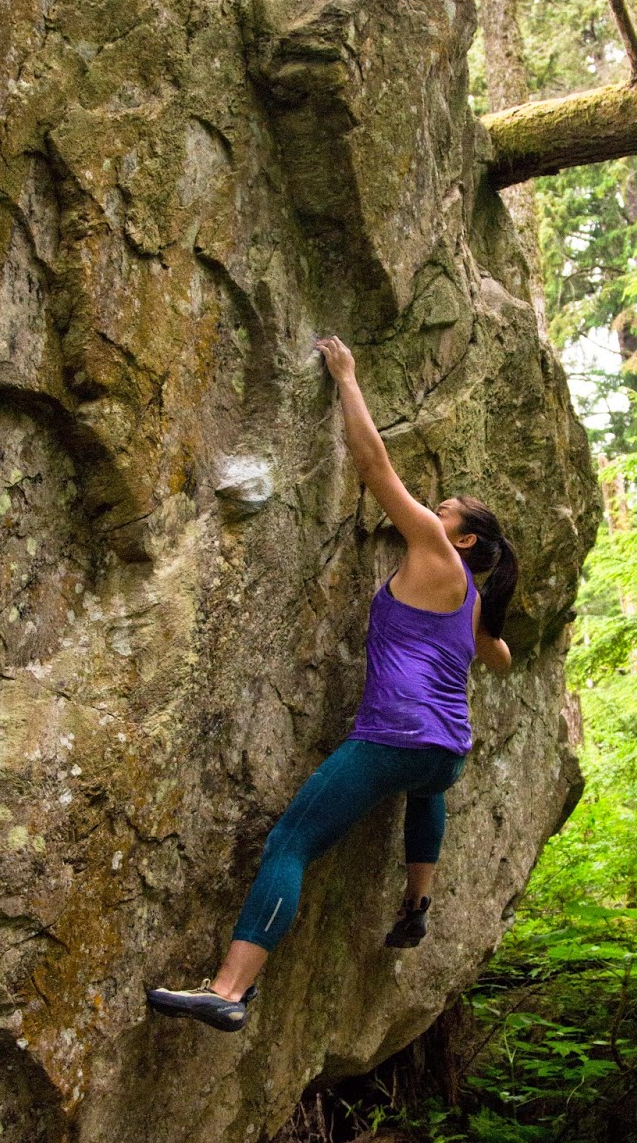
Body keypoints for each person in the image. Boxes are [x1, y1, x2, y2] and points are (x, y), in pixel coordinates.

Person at [147, 336, 517, 1032]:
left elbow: (374, 466)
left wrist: (346, 377)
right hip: (445, 751)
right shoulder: (471, 601)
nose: (431, 512)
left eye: (444, 510)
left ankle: (229, 990)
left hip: (392, 737)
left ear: (463, 539)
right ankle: (417, 900)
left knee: (291, 843)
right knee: (427, 788)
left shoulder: (434, 551)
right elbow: (498, 658)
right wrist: (489, 643)